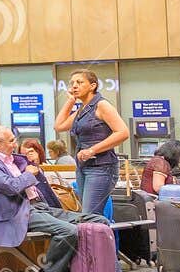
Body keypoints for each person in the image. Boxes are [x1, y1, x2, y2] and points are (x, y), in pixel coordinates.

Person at [0, 125, 107, 272]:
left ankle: (94, 271)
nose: (15, 144)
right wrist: (29, 174)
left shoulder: (13, 159)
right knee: (69, 231)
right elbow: (11, 187)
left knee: (98, 220)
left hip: (40, 207)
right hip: (17, 214)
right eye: (11, 141)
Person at [53, 69, 128, 214]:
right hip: (83, 167)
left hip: (102, 167)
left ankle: (100, 237)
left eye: (79, 82)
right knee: (88, 216)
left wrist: (92, 150)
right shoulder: (83, 109)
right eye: (72, 83)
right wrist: (70, 101)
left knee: (90, 215)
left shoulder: (102, 105)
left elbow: (123, 132)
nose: (74, 86)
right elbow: (59, 126)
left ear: (92, 86)